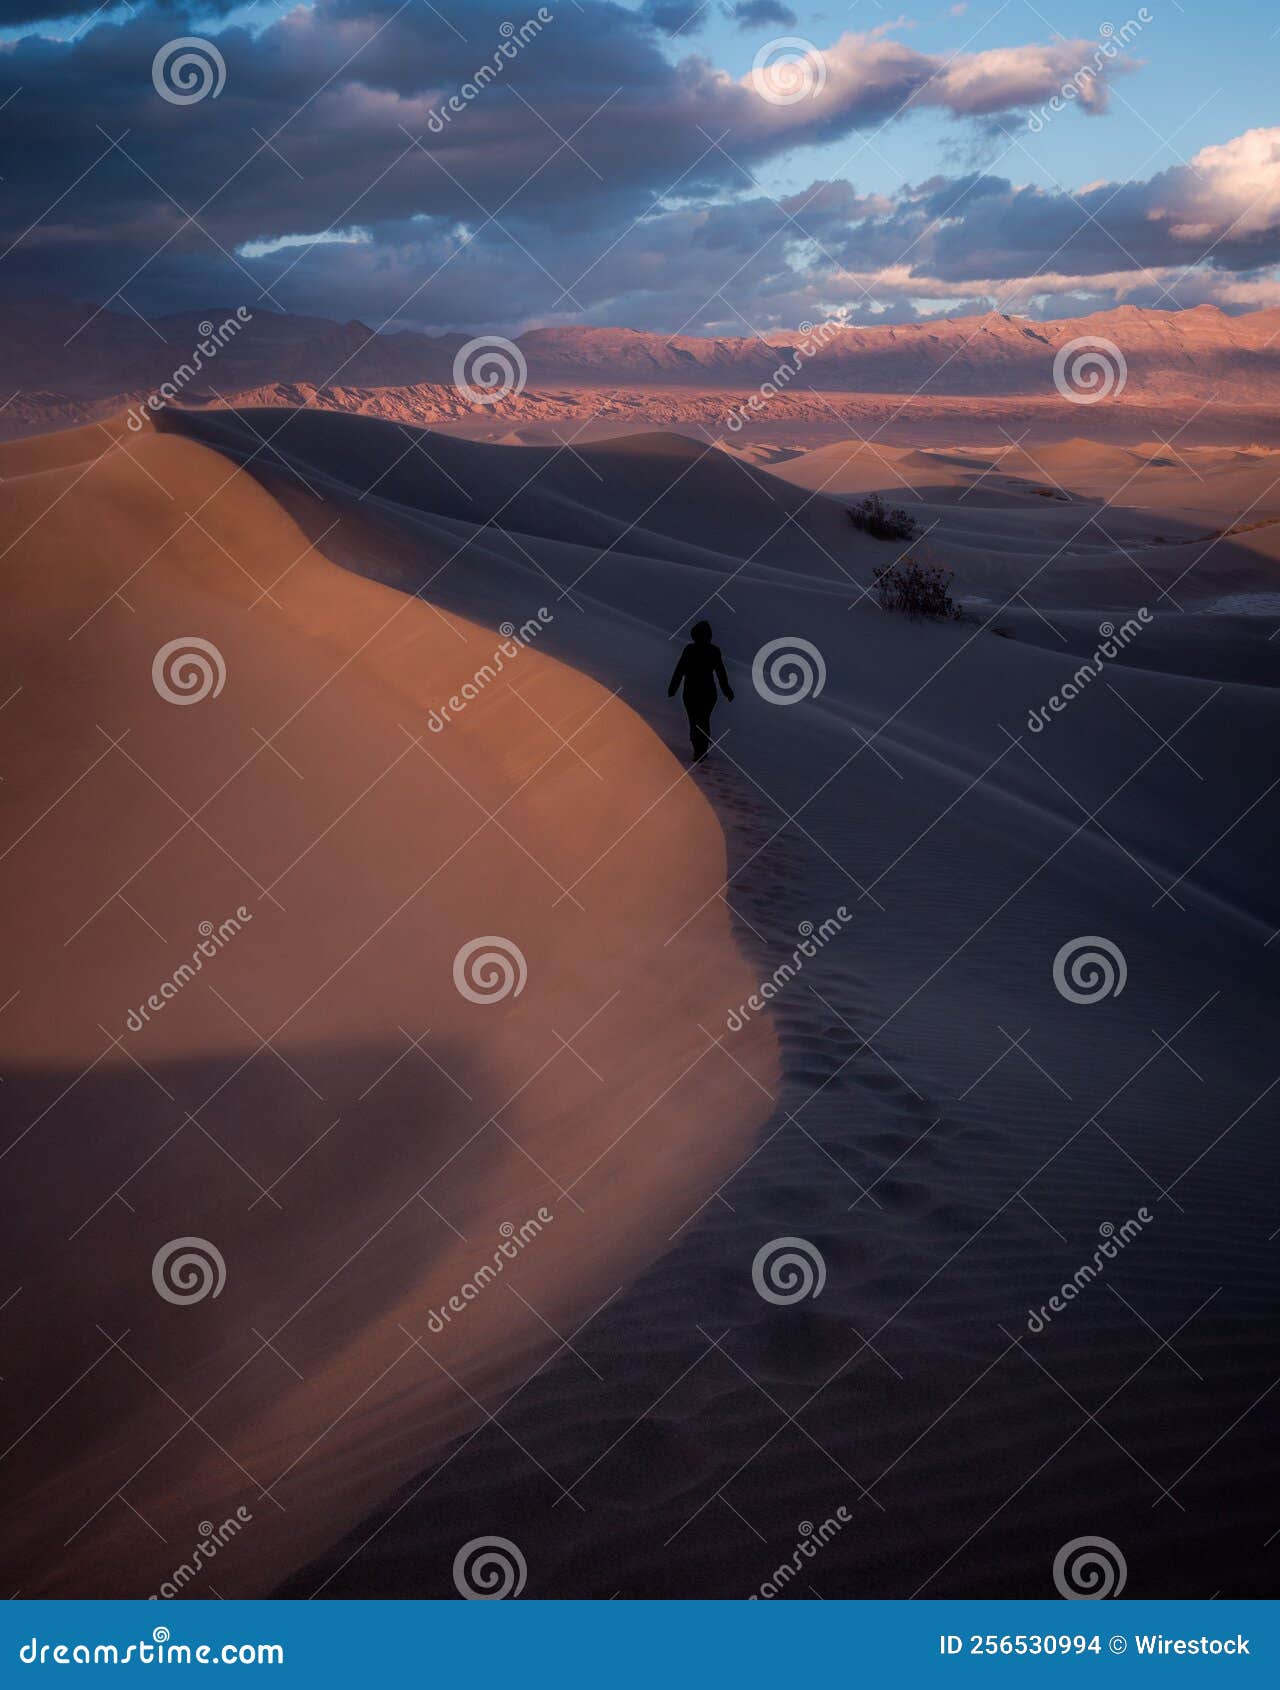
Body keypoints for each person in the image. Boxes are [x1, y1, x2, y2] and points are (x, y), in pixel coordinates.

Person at [667, 620, 733, 761]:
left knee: (699, 720)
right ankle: (700, 750)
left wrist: (727, 691)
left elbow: (720, 672)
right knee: (699, 720)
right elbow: (680, 670)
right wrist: (672, 688)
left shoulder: (702, 650)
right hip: (696, 693)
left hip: (701, 693)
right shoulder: (698, 650)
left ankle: (700, 750)